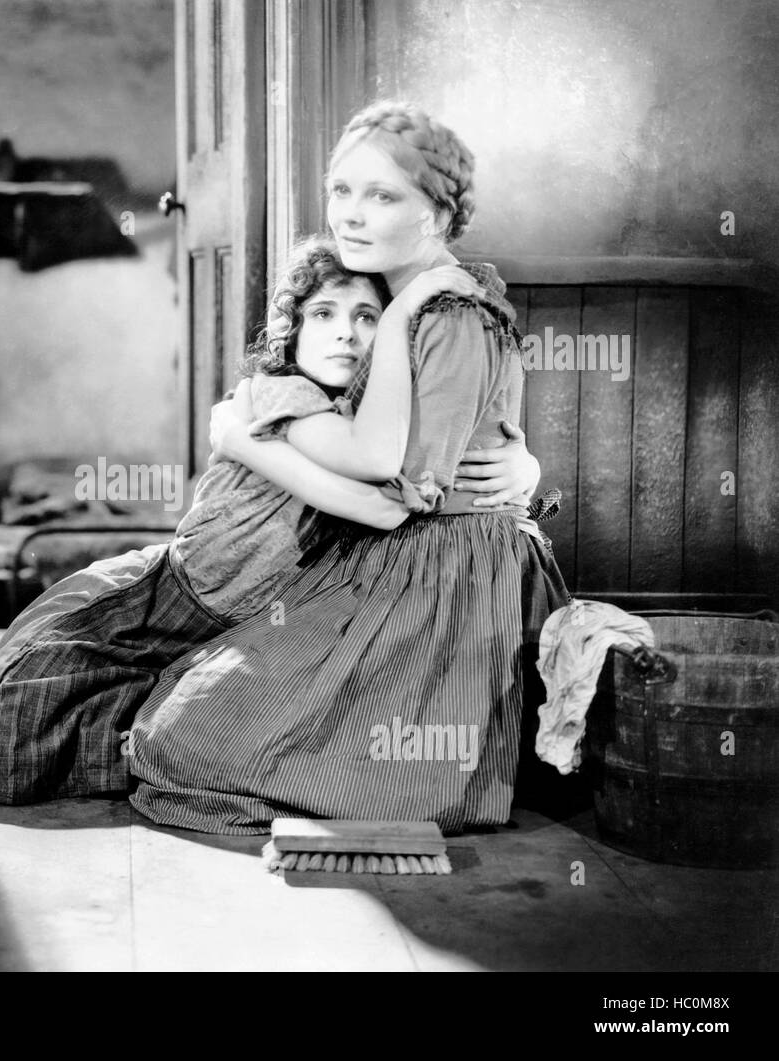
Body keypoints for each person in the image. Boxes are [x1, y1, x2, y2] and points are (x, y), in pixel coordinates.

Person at [0, 236, 542, 805]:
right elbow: (383, 497)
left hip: (236, 628)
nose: (344, 332)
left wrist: (525, 469)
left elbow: (419, 455)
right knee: (30, 708)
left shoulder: (361, 417)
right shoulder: (283, 401)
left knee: (90, 729)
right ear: (291, 333)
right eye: (325, 314)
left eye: (366, 318)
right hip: (165, 602)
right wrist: (241, 434)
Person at [125, 101, 572, 835]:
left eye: (384, 195)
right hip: (396, 553)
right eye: (342, 190)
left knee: (188, 738)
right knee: (179, 710)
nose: (352, 216)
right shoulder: (406, 294)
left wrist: (246, 436)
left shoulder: (445, 311)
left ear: (436, 214)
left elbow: (398, 479)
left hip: (442, 574)